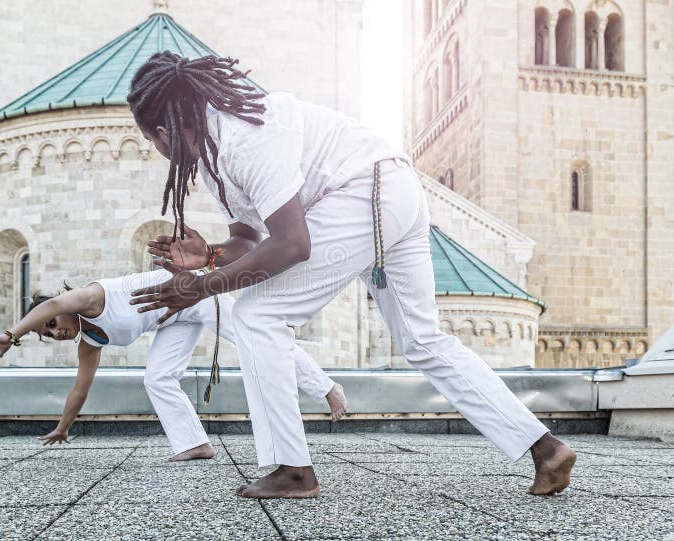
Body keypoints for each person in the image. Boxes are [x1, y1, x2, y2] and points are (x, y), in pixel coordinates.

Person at [124, 52, 577, 498]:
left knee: (256, 315)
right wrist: (210, 254)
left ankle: (292, 469)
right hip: (389, 196)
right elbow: (248, 241)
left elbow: (291, 245)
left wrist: (202, 287)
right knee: (423, 340)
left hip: (364, 194)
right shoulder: (215, 154)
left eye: (153, 143)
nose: (159, 151)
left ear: (163, 131)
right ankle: (545, 448)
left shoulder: (244, 136)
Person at [0, 269, 347, 461]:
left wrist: (12, 334)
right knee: (158, 378)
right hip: (173, 320)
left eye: (52, 326)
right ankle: (195, 443)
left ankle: (326, 387)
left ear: (62, 307)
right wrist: (62, 428)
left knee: (256, 338)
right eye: (47, 335)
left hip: (192, 293)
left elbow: (48, 307)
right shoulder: (91, 341)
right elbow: (80, 388)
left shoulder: (87, 297)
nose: (55, 332)